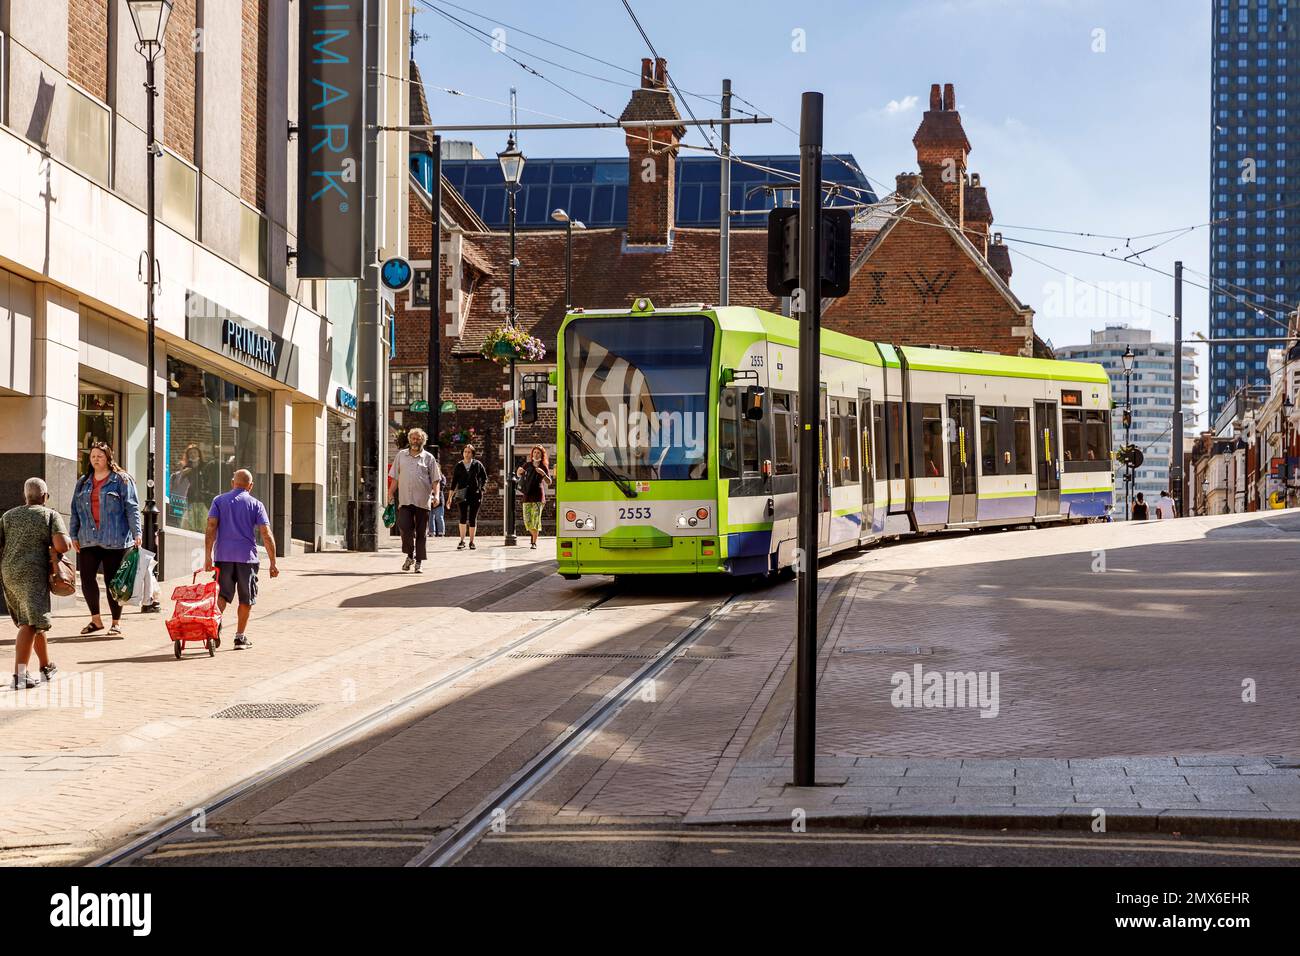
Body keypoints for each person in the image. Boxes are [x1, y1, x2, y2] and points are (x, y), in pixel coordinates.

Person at [2, 478, 73, 689]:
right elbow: (62, 545)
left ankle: (46, 666)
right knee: (30, 624)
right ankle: (20, 676)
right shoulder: (50, 515)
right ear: (45, 497)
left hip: (9, 573)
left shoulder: (8, 516)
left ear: (25, 496)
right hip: (33, 575)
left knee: (34, 619)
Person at [68, 442, 141, 637]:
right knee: (86, 579)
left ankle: (115, 622)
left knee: (113, 582)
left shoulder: (122, 480)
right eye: (92, 456)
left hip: (115, 539)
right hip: (88, 538)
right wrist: (73, 534)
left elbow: (132, 508)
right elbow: (74, 510)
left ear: (108, 458)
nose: (95, 459)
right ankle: (96, 620)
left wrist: (137, 533)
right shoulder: (83, 482)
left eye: (100, 456)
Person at [204, 469, 278, 649]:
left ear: (232, 483)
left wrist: (207, 556)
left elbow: (211, 527)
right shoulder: (256, 504)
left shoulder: (219, 501)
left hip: (223, 557)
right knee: (246, 598)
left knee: (222, 595)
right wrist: (273, 562)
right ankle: (239, 637)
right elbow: (266, 534)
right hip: (247, 559)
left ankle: (214, 628)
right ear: (250, 486)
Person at [389, 428, 436, 571]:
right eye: (413, 438)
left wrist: (436, 495)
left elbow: (436, 479)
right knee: (404, 527)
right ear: (410, 440)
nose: (415, 441)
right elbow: (395, 477)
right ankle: (410, 554)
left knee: (421, 533)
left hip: (423, 500)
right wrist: (390, 493)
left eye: (418, 439)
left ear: (423, 441)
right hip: (405, 499)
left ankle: (419, 562)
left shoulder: (429, 458)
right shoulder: (401, 456)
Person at [450, 444, 487, 550]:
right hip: (461, 493)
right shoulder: (459, 465)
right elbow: (454, 482)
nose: (467, 454)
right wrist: (449, 498)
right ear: (462, 453)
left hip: (475, 493)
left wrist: (481, 488)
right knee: (462, 516)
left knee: (472, 518)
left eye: (469, 452)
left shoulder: (477, 464)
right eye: (465, 452)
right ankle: (462, 540)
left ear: (473, 454)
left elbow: (484, 478)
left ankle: (471, 541)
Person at [515, 445, 552, 550]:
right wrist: (518, 472)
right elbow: (519, 475)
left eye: (538, 453)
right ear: (532, 454)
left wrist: (543, 474)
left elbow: (549, 482)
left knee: (535, 520)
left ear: (542, 455)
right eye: (535, 452)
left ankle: (534, 542)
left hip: (538, 497)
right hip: (527, 495)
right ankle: (534, 536)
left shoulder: (543, 466)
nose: (536, 454)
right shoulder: (527, 465)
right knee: (527, 521)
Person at [427, 452, 447, 539]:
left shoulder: (442, 477)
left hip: (439, 499)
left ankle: (441, 532)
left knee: (439, 516)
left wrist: (434, 490)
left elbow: (441, 486)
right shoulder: (429, 477)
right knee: (431, 517)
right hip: (430, 499)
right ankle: (432, 532)